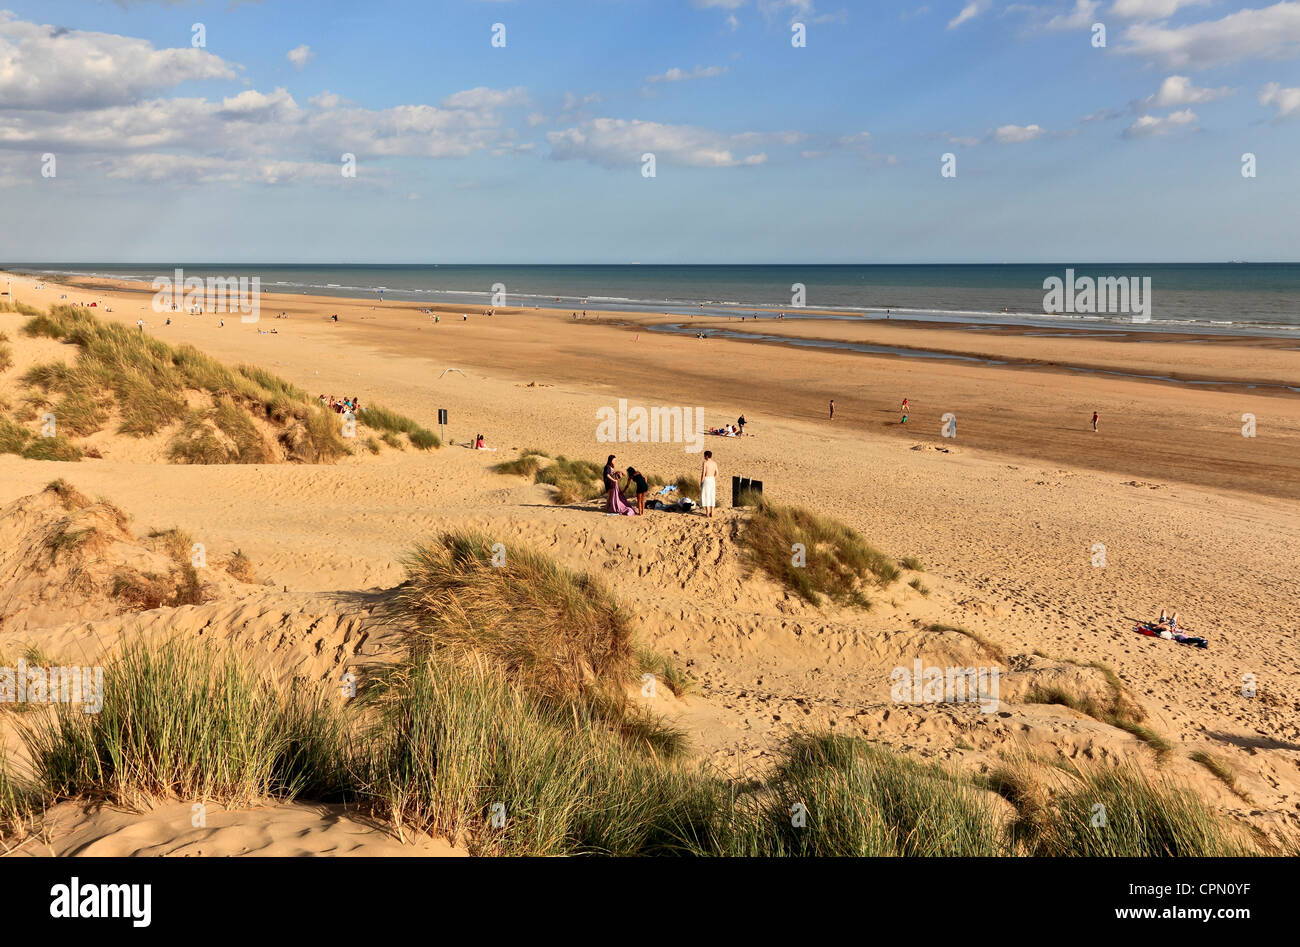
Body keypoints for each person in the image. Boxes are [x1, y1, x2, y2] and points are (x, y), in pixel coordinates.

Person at [700, 450, 718, 518]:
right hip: (712, 480)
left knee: (706, 496)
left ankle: (707, 513)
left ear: (707, 456)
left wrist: (701, 482)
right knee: (712, 495)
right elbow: (717, 473)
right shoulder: (714, 463)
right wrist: (713, 478)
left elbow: (703, 473)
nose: (704, 457)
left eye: (704, 455)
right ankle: (712, 512)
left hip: (707, 479)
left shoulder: (705, 463)